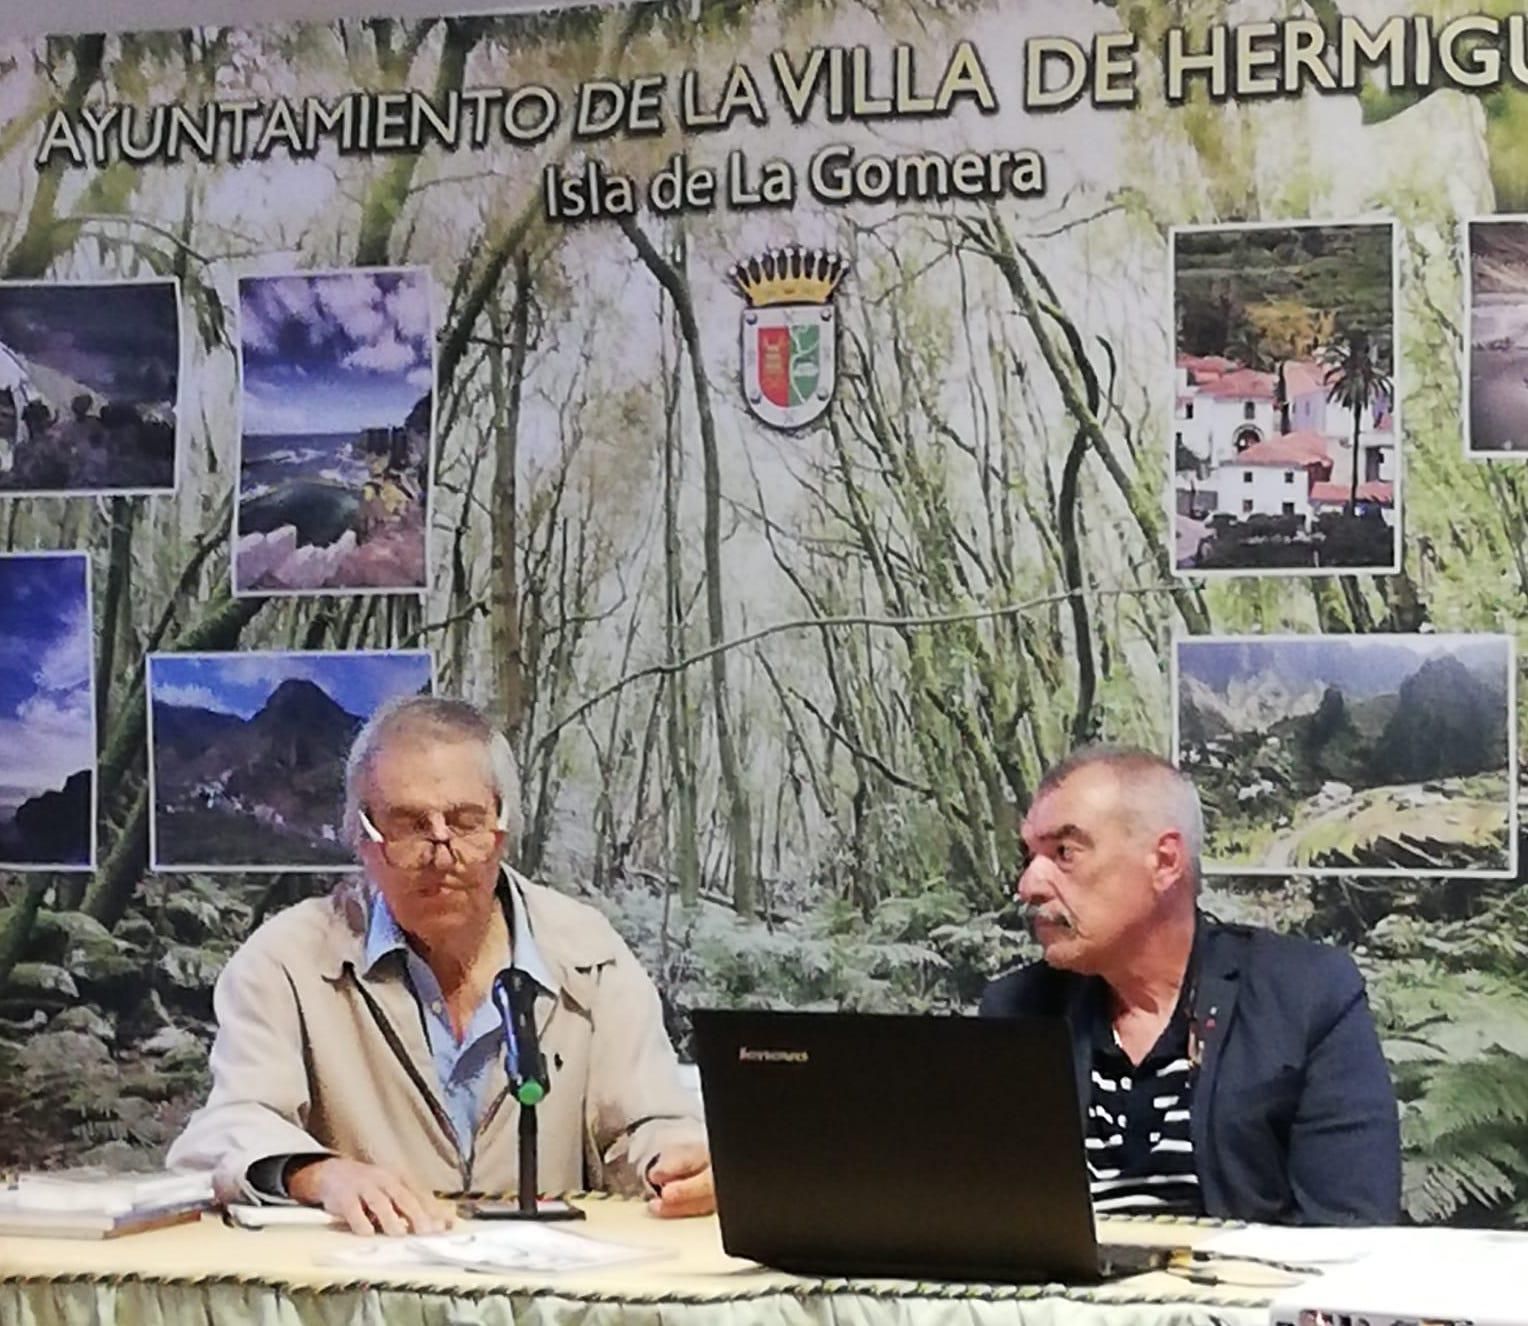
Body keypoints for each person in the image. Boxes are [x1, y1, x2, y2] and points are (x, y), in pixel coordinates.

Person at [169, 696, 713, 1234]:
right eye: (409, 826)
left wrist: (677, 1162)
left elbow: (650, 1122)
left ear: (501, 830)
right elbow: (228, 1128)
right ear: (363, 838)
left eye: (465, 821)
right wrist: (318, 1175)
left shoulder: (590, 956)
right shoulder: (287, 961)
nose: (442, 851)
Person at [979, 745, 1400, 1225]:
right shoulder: (1020, 1011)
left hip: (1245, 1295)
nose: (1029, 884)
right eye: (1029, 856)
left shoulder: (1304, 996)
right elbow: (993, 1223)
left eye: (1064, 853)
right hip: (1067, 1301)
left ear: (1164, 861)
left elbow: (1351, 1229)